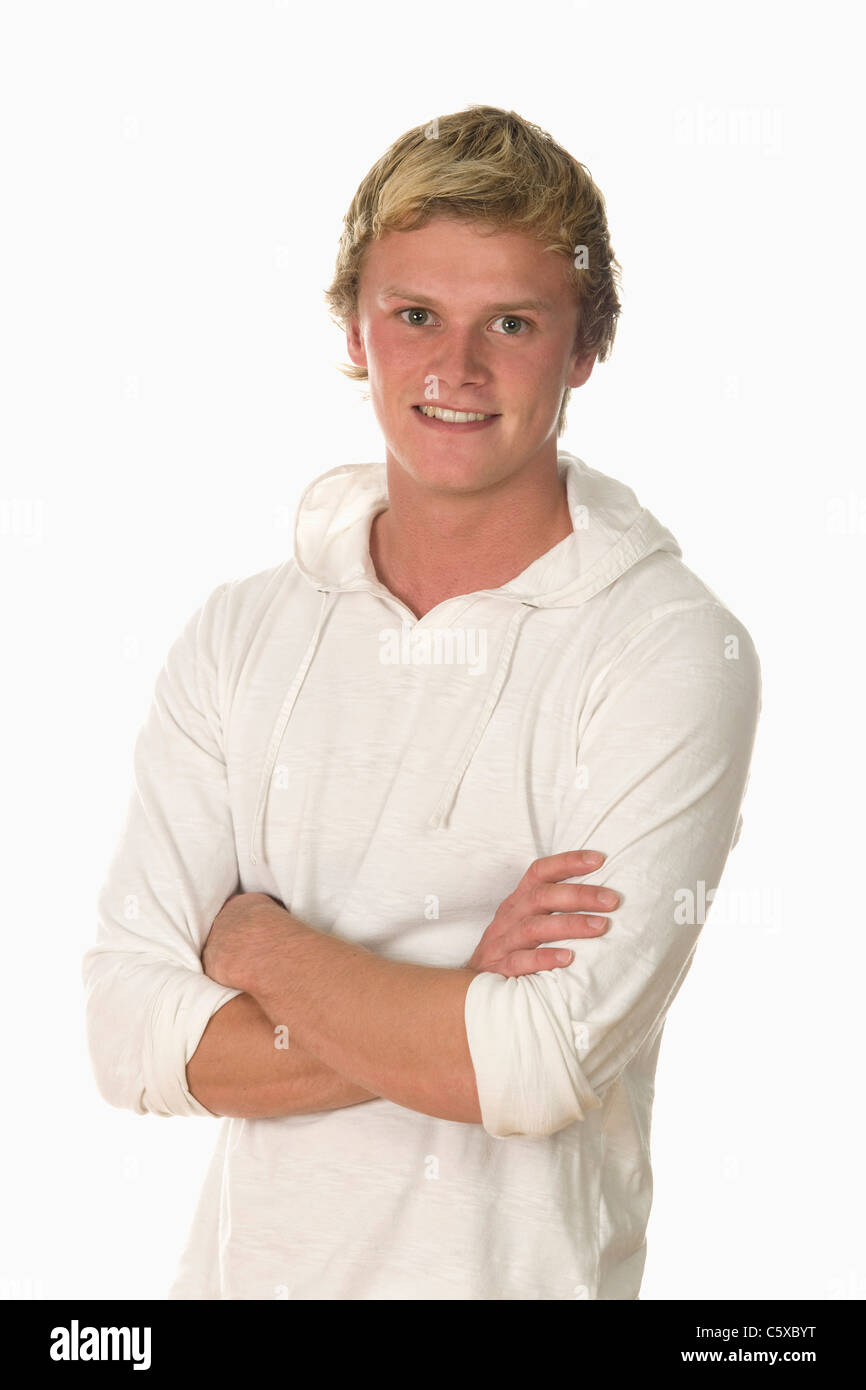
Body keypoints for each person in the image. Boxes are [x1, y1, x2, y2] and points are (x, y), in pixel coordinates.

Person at [82, 104, 761, 1300]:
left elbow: (536, 1067)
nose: (456, 370)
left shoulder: (664, 648)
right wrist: (452, 1000)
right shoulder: (244, 633)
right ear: (357, 331)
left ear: (583, 347)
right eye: (414, 318)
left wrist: (259, 946)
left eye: (511, 321)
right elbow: (130, 1038)